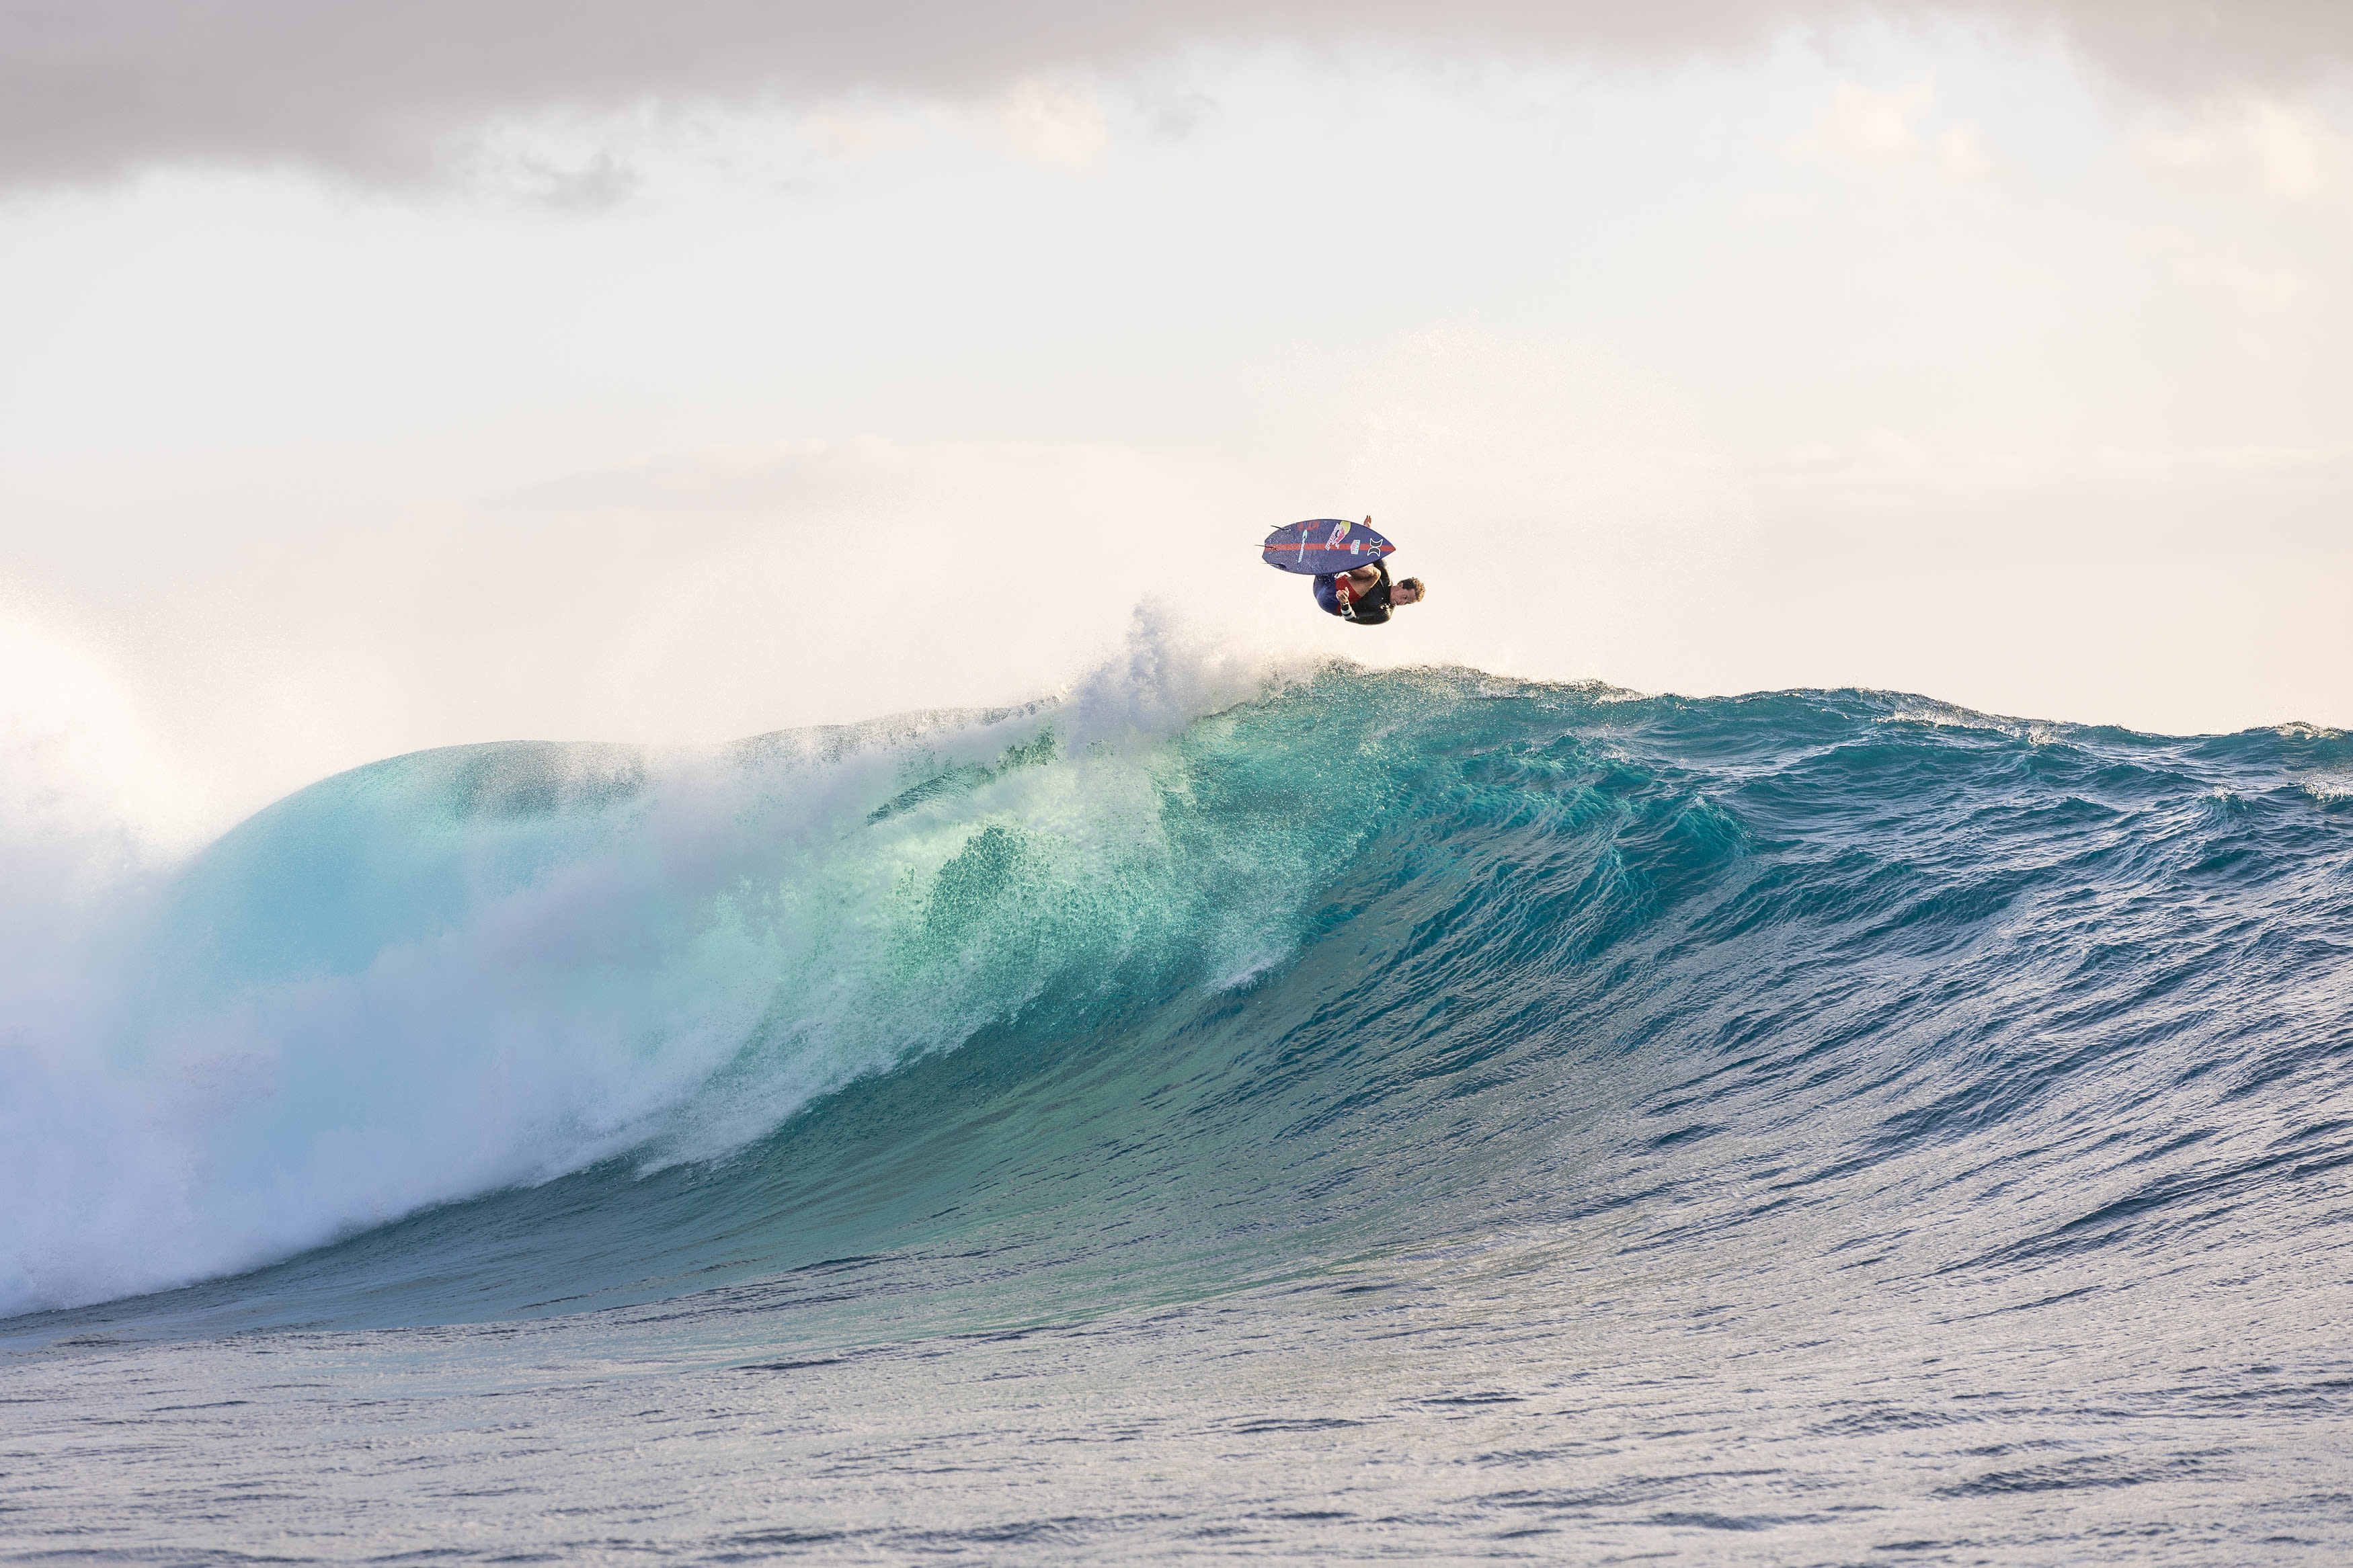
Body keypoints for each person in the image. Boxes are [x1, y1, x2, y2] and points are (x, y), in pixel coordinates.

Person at [1313, 518, 1426, 625]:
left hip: (1332, 600)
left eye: (1407, 603)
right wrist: (1366, 534)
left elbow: (1351, 618)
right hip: (1324, 586)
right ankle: (1335, 554)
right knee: (1326, 559)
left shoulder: (1384, 613)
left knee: (1375, 574)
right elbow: (1375, 552)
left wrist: (1345, 602)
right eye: (1405, 597)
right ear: (1400, 585)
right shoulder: (1386, 579)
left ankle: (1345, 557)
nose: (1402, 602)